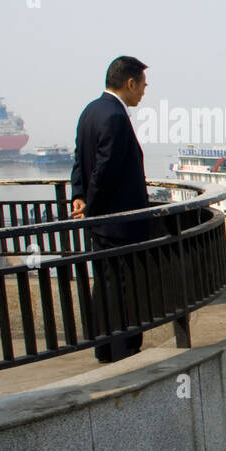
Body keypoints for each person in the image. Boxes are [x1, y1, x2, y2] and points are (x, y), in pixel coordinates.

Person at [71, 56, 151, 363]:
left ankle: (104, 348)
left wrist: (79, 195)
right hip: (119, 221)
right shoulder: (116, 116)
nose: (144, 92)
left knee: (104, 284)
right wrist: (92, 203)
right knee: (124, 287)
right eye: (143, 85)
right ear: (130, 83)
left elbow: (80, 159)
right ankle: (124, 350)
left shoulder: (90, 111)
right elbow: (105, 168)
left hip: (100, 222)